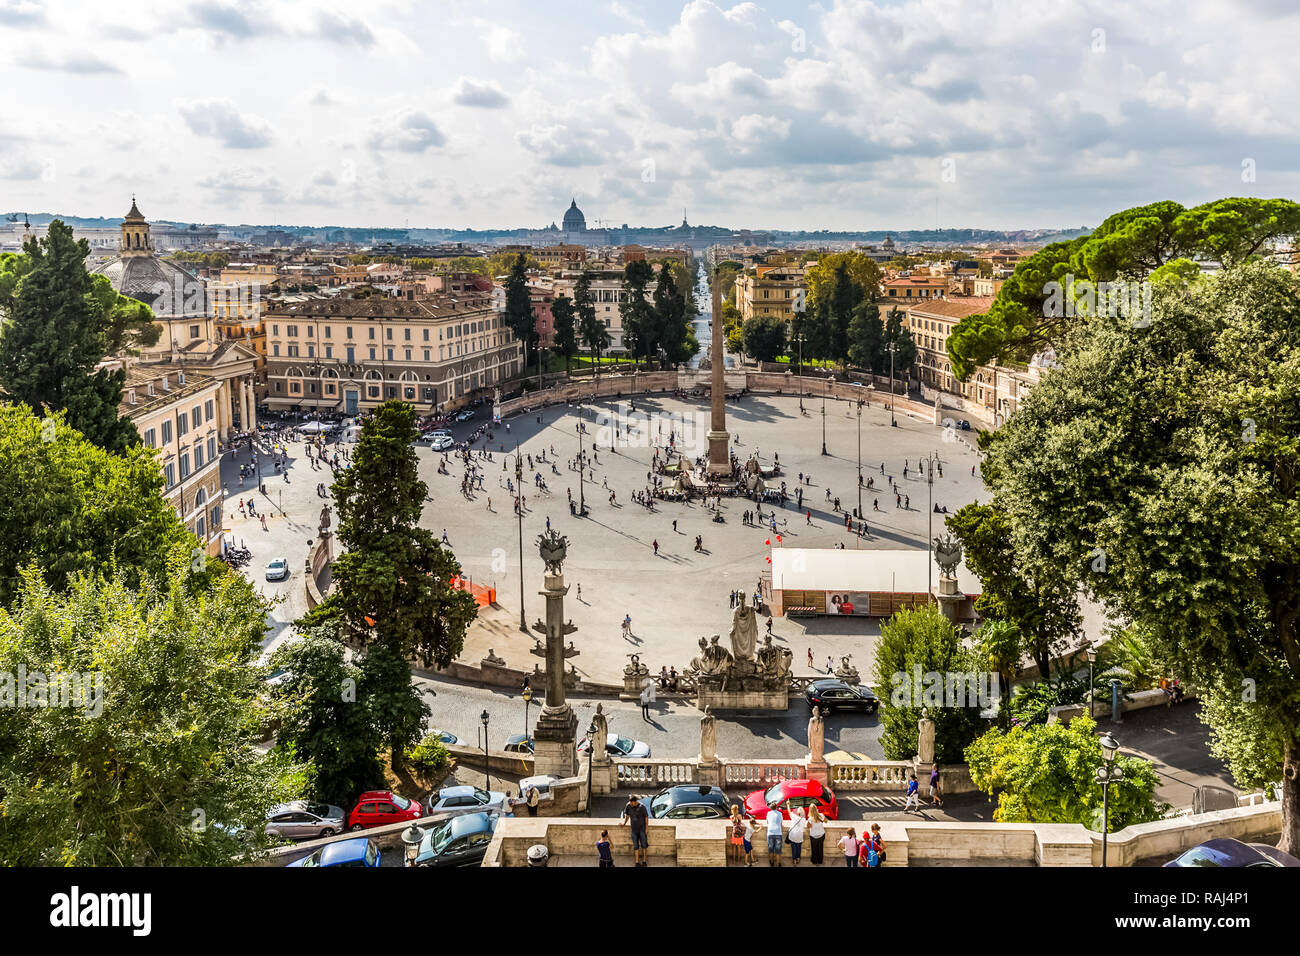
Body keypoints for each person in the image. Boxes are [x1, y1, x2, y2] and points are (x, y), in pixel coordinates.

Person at [621, 794, 650, 866]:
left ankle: (644, 861)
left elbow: (646, 818)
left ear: (635, 801)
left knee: (644, 846)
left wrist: (646, 828)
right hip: (634, 830)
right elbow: (627, 816)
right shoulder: (628, 806)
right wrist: (624, 823)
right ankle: (637, 862)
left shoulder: (642, 807)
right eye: (630, 803)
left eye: (632, 803)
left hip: (642, 830)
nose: (630, 804)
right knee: (635, 846)